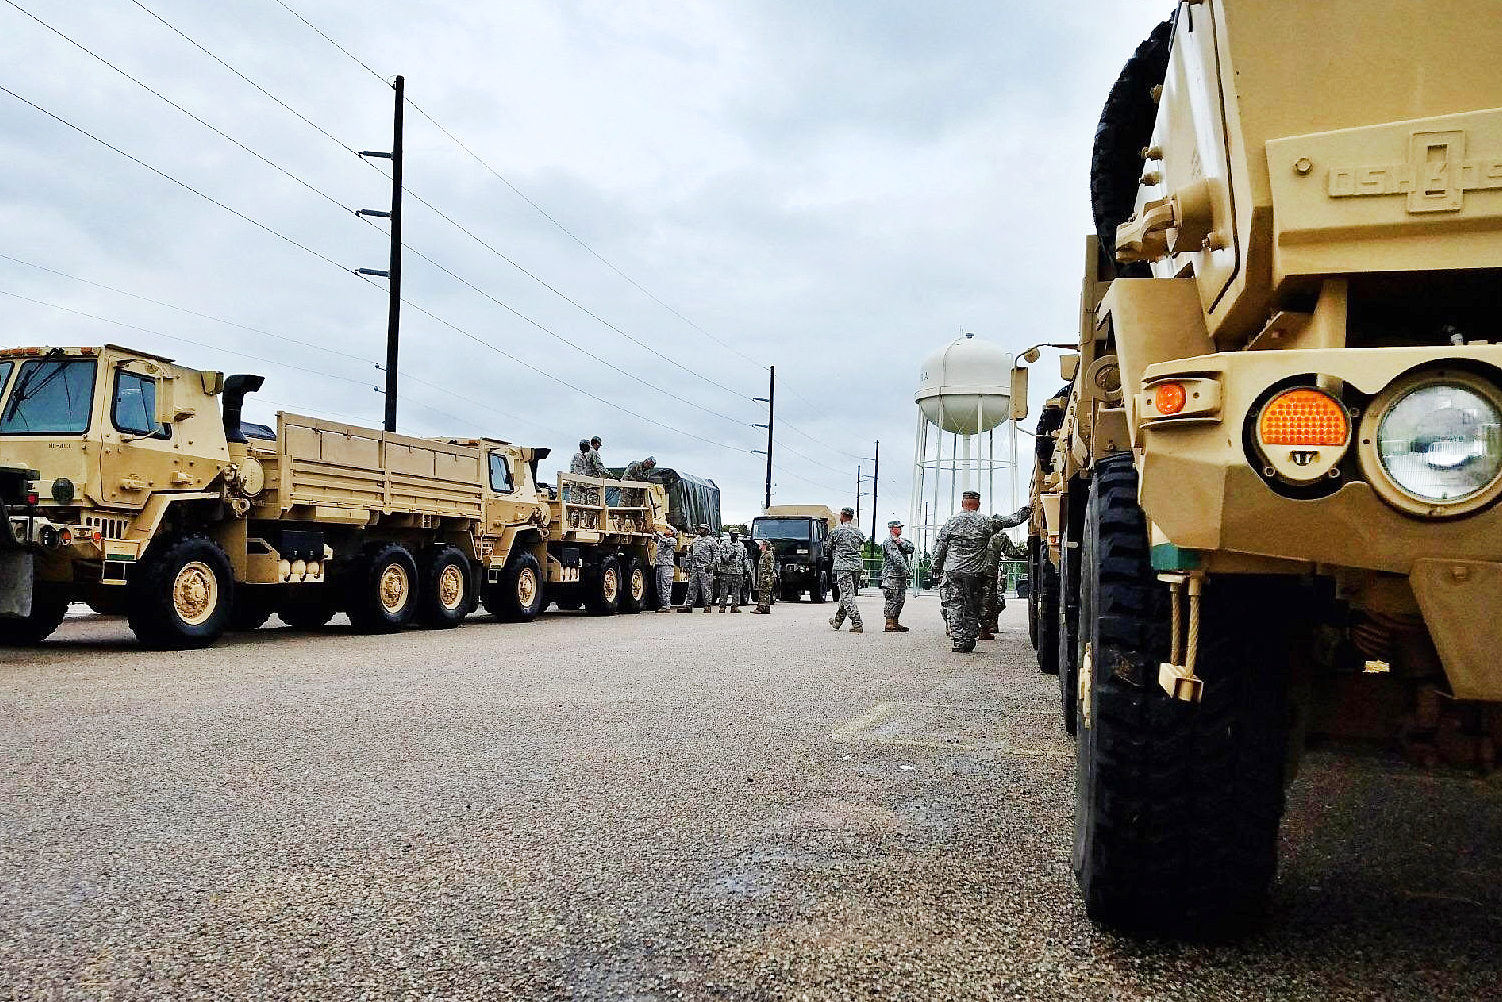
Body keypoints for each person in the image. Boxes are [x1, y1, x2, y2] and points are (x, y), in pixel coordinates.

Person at [931, 491, 1031, 653]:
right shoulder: (985, 522)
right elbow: (1013, 520)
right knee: (972, 606)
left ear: (962, 504)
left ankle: (958, 640)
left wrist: (936, 567)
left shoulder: (950, 522)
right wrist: (1028, 508)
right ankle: (970, 638)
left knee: (955, 605)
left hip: (953, 571)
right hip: (975, 573)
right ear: (978, 504)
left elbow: (940, 547)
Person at [827, 506, 866, 633]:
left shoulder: (836, 531)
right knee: (847, 594)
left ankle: (857, 622)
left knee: (847, 595)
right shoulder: (858, 531)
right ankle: (837, 622)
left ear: (842, 516)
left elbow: (828, 547)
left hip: (843, 566)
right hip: (856, 566)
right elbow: (861, 544)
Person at [880, 520, 915, 632]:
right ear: (891, 528)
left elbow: (911, 548)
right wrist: (906, 570)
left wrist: (901, 542)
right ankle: (889, 623)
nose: (900, 529)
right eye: (898, 527)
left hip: (900, 576)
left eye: (900, 527)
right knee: (892, 599)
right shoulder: (888, 541)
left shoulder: (901, 540)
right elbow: (896, 557)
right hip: (891, 576)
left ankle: (895, 622)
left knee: (900, 599)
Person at [677, 525, 718, 612]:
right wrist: (688, 564)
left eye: (702, 528)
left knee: (706, 587)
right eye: (699, 528)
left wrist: (712, 565)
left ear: (707, 530)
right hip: (695, 568)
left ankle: (707, 605)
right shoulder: (695, 540)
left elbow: (716, 555)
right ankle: (689, 606)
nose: (699, 530)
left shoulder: (711, 541)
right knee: (692, 587)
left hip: (705, 568)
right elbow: (690, 552)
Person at [715, 531, 744, 613]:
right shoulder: (724, 544)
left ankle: (734, 606)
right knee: (724, 590)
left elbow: (744, 558)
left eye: (737, 534)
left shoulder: (741, 545)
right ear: (730, 534)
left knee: (736, 590)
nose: (736, 536)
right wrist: (730, 557)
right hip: (726, 571)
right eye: (734, 534)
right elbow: (721, 555)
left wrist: (747, 569)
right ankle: (722, 606)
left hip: (738, 571)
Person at [652, 525, 677, 612]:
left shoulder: (672, 540)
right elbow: (655, 539)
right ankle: (662, 605)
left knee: (665, 586)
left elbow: (664, 540)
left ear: (672, 532)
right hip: (659, 565)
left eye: (668, 529)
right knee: (659, 586)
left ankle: (666, 606)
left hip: (667, 566)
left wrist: (658, 533)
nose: (666, 530)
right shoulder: (662, 539)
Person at [752, 540, 776, 614]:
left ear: (764, 545)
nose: (759, 545)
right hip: (765, 576)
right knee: (765, 593)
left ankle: (761, 608)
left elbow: (769, 568)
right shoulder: (764, 554)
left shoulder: (767, 555)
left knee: (763, 593)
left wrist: (765, 576)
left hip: (766, 577)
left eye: (761, 544)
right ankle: (766, 608)